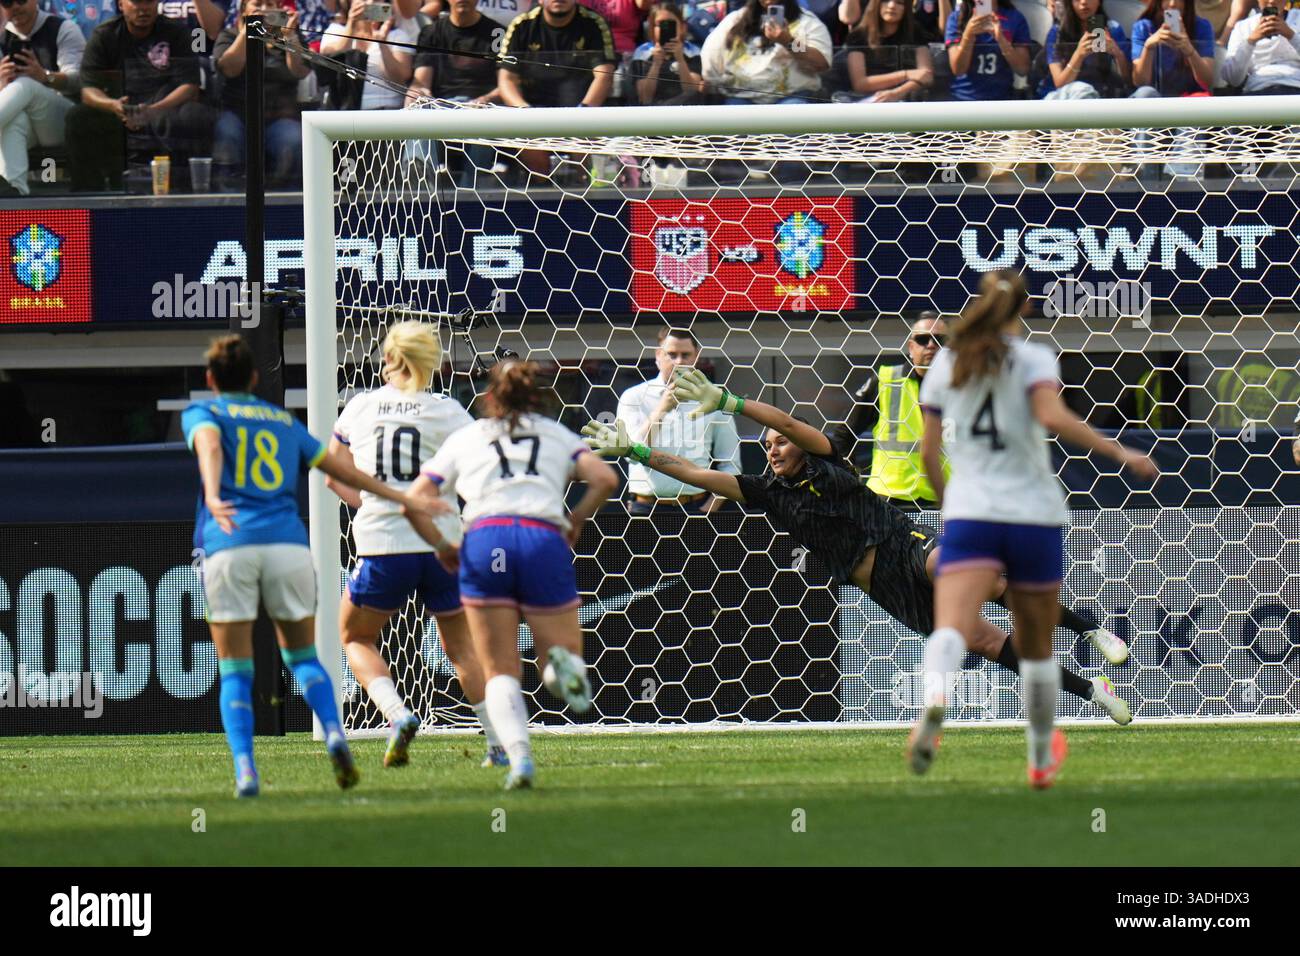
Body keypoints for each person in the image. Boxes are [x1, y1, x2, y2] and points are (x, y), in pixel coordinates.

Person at [583, 368, 1136, 729]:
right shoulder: (768, 494)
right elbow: (690, 470)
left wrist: (732, 401)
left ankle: (1085, 624)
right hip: (879, 584)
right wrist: (634, 448)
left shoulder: (831, 459)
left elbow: (787, 421)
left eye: (779, 444)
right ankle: (1092, 691)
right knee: (985, 641)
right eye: (767, 447)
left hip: (902, 541)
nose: (772, 449)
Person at [910, 271, 1157, 788]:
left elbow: (929, 453)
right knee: (1038, 645)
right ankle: (1041, 756)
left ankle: (935, 700)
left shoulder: (946, 365)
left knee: (952, 625)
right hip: (1033, 514)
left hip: (973, 512)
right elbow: (1055, 418)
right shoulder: (1034, 359)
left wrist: (953, 506)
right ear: (1024, 310)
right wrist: (1118, 451)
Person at [182, 335, 448, 797]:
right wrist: (400, 495)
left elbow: (209, 446)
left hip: (229, 544)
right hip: (288, 546)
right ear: (252, 378)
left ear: (210, 379)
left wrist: (211, 491)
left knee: (236, 669)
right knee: (304, 656)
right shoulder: (283, 422)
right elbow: (343, 472)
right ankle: (335, 736)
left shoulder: (204, 414)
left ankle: (246, 771)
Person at [405, 360, 620, 790]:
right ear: (535, 396)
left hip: (487, 541)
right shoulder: (556, 434)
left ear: (488, 398)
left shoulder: (466, 438)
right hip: (542, 538)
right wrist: (576, 517)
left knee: (500, 668)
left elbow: (414, 500)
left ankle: (520, 760)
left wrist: (444, 546)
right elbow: (605, 478)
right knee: (559, 654)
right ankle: (560, 668)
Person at [325, 322, 508, 770]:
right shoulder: (449, 413)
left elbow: (334, 475)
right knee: (462, 647)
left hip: (382, 541)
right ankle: (499, 745)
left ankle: (397, 713)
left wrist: (373, 502)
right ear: (435, 362)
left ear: (388, 358)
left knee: (354, 635)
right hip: (442, 543)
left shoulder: (360, 407)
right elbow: (480, 473)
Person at [66, 0, 212, 192]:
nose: (143, 8)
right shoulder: (105, 34)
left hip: (164, 107)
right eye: (136, 2)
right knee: (79, 117)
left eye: (149, 1)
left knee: (197, 115)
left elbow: (190, 85)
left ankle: (188, 191)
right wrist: (113, 105)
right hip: (118, 109)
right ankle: (88, 195)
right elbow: (88, 90)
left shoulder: (176, 31)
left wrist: (153, 111)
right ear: (120, 5)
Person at [615, 327, 741, 516]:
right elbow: (631, 454)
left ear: (697, 356)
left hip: (696, 507)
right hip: (645, 507)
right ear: (658, 355)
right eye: (672, 355)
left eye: (686, 355)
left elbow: (731, 465)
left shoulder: (716, 398)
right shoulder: (634, 397)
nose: (679, 362)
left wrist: (707, 510)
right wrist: (662, 408)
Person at [837, 313, 950, 509]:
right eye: (923, 339)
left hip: (946, 500)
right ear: (911, 346)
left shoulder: (965, 387)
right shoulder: (885, 381)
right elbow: (843, 434)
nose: (931, 345)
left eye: (940, 340)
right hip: (891, 502)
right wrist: (847, 481)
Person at [498, 0, 617, 179]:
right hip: (533, 113)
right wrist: (524, 111)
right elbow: (506, 80)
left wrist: (584, 112)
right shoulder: (521, 25)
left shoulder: (594, 23)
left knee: (585, 143)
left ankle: (587, 194)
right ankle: (541, 192)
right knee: (526, 140)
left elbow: (604, 75)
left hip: (581, 112)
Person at [212, 0, 312, 188]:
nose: (265, 9)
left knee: (293, 139)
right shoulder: (229, 35)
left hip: (280, 118)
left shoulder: (290, 36)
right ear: (243, 10)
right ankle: (228, 195)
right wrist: (247, 30)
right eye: (258, 4)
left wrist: (290, 36)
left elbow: (300, 71)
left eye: (270, 4)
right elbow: (229, 69)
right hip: (239, 115)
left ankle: (287, 199)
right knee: (227, 132)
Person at [405, 0, 501, 186]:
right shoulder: (431, 32)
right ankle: (420, 177)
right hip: (441, 106)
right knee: (418, 109)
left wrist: (486, 99)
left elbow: (505, 83)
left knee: (487, 117)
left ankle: (472, 189)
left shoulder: (497, 33)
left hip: (482, 106)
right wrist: (419, 93)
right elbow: (421, 81)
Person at [0, 0, 84, 196]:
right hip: (25, 124)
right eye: (7, 2)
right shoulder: (2, 37)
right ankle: (15, 192)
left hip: (63, 121)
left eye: (21, 0)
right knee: (14, 121)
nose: (15, 6)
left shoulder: (63, 28)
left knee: (27, 86)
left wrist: (44, 77)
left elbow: (79, 80)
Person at [700, 0, 832, 104]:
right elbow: (711, 59)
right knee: (733, 129)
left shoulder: (807, 22)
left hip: (791, 97)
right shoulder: (734, 21)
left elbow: (821, 62)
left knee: (791, 127)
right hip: (741, 97)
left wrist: (788, 42)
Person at [321, 0, 417, 110]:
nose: (370, 2)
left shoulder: (397, 35)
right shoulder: (335, 30)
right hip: (345, 112)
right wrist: (351, 25)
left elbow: (401, 79)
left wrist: (383, 45)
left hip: (386, 110)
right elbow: (327, 63)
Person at [838, 0, 933, 102]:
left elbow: (926, 76)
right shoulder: (858, 36)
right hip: (867, 103)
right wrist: (906, 74)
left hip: (906, 102)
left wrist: (897, 93)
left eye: (899, 3)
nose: (891, 6)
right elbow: (860, 84)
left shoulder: (916, 32)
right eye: (885, 1)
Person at [945, 0, 1031, 101]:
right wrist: (968, 36)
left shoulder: (1015, 18)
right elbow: (958, 70)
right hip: (963, 99)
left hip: (1001, 99)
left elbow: (1023, 69)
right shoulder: (956, 18)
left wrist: (1001, 39)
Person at [1045, 0, 1131, 99]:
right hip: (1065, 98)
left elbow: (1128, 81)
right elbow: (1060, 83)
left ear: (1099, 1)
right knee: (1082, 89)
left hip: (1102, 95)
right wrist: (1078, 55)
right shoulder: (1058, 32)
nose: (1084, 2)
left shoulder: (1113, 28)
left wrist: (1117, 54)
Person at [629, 2, 707, 104]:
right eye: (660, 24)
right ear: (652, 28)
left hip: (684, 111)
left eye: (671, 23)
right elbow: (645, 98)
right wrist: (656, 65)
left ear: (682, 27)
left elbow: (691, 91)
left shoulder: (692, 51)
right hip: (653, 111)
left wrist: (680, 59)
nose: (665, 28)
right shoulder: (642, 53)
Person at [1221, 1, 1300, 93]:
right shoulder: (1243, 27)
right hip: (1258, 90)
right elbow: (1233, 79)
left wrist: (1290, 35)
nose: (1271, 1)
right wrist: (1250, 42)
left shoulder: (1297, 18)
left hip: (1295, 87)